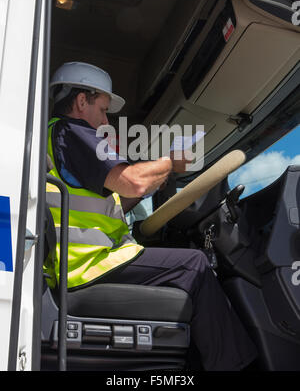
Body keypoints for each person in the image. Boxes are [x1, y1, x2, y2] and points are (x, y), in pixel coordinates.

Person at [45, 61, 257, 371]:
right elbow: (132, 181)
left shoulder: (57, 139)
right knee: (195, 264)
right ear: (81, 101)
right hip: (89, 265)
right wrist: (170, 164)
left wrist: (156, 181)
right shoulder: (71, 130)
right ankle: (234, 367)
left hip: (83, 264)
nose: (105, 120)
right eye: (103, 110)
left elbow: (122, 196)